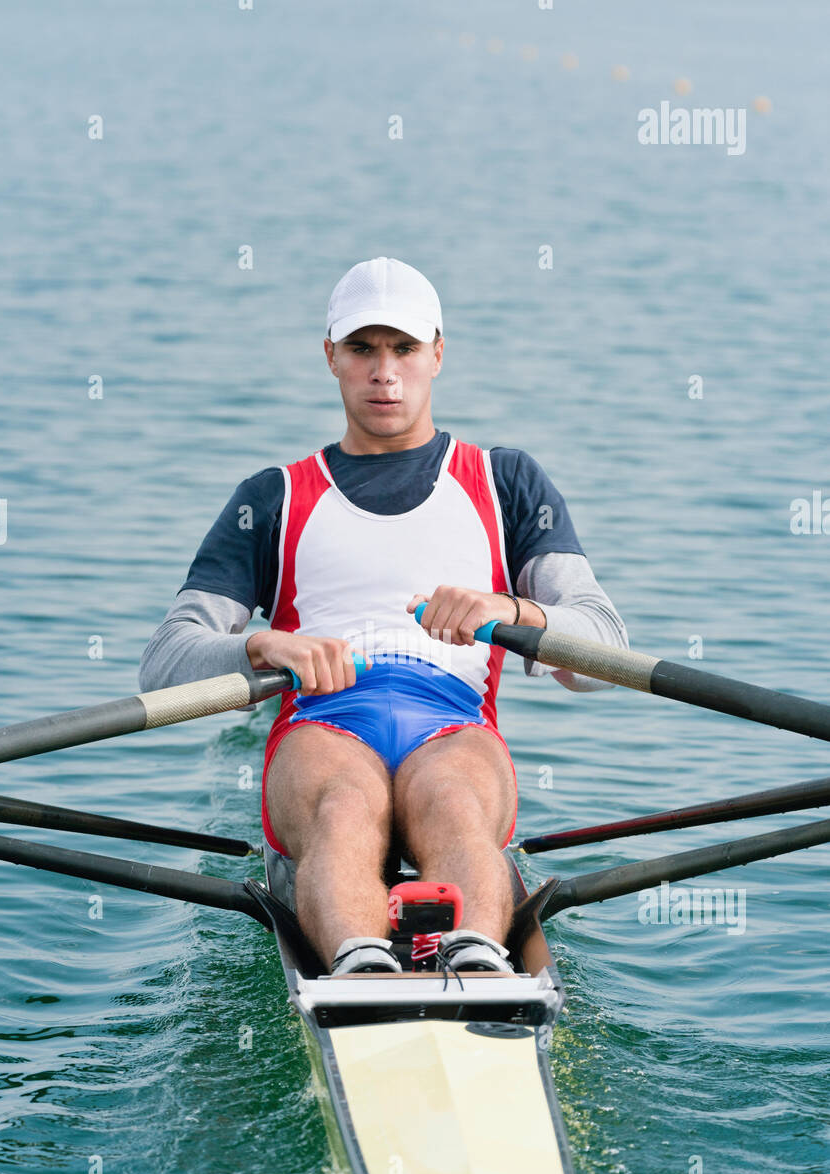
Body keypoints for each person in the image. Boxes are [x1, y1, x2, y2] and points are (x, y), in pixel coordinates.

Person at [140, 257, 628, 975]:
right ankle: (362, 969)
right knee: (341, 808)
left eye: (402, 348)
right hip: (323, 717)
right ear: (330, 356)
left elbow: (603, 656)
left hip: (452, 718)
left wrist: (512, 609)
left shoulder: (505, 482)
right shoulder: (272, 497)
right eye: (362, 349)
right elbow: (164, 660)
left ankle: (474, 960)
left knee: (455, 803)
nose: (384, 372)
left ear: (437, 353)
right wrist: (263, 646)